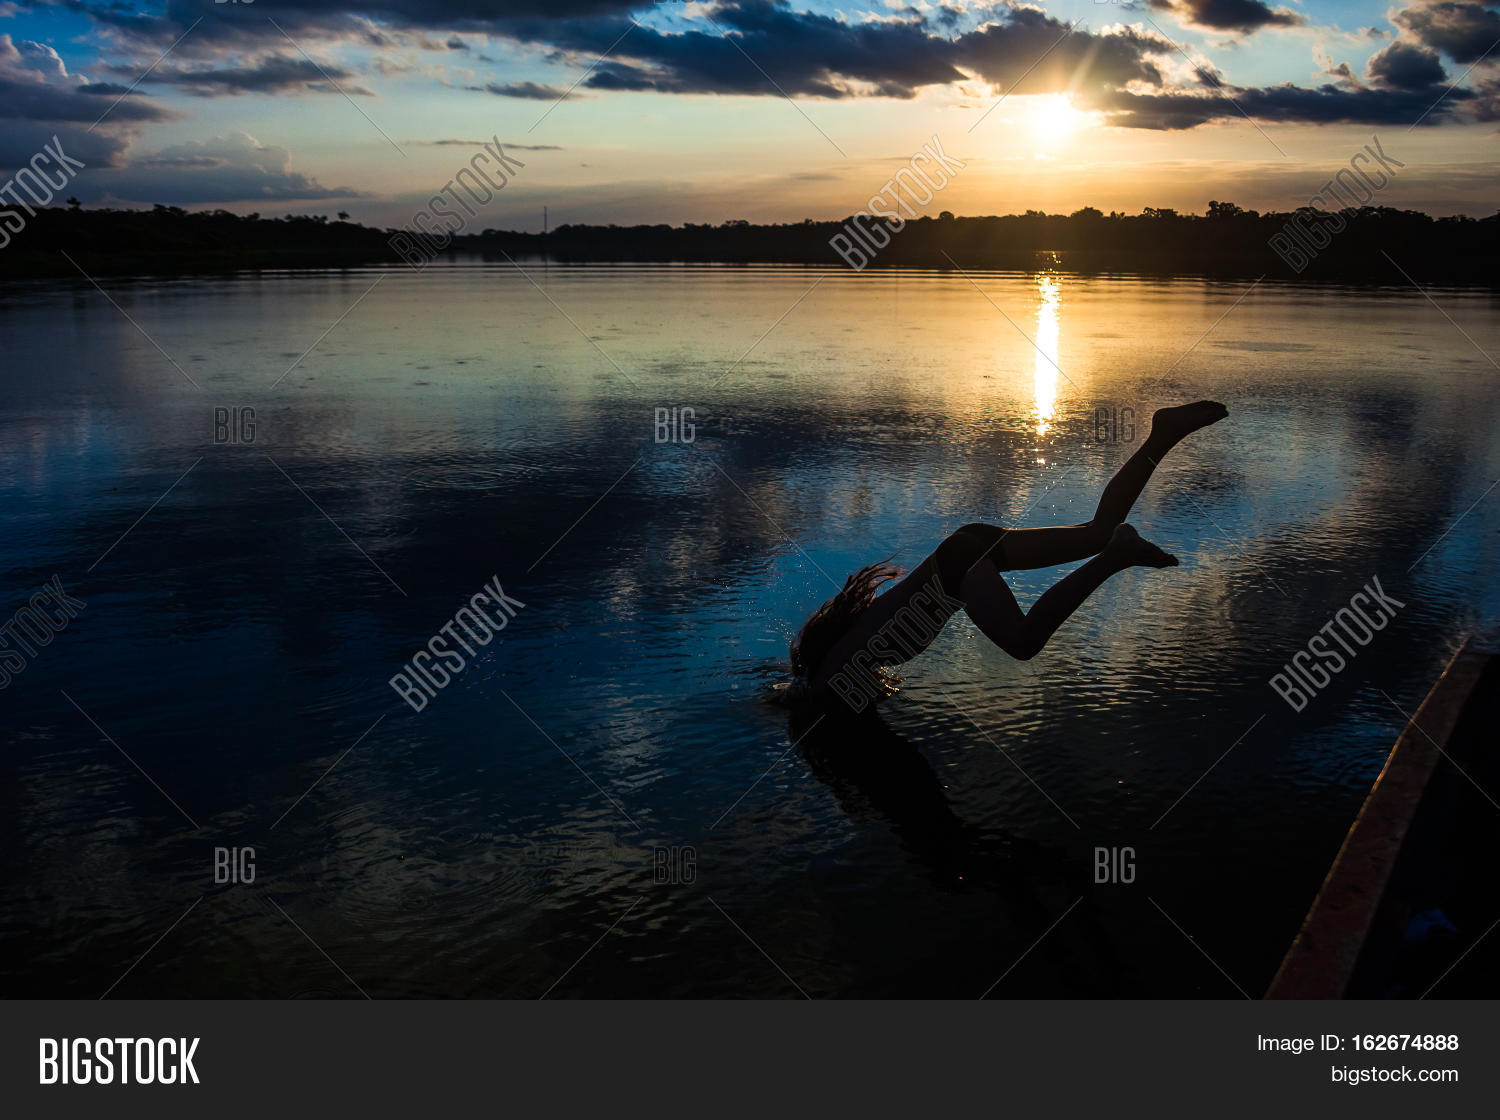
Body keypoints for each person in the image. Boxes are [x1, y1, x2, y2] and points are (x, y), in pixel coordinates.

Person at [790, 401, 1229, 709]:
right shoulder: (852, 653)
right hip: (964, 547)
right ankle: (1164, 434)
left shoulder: (830, 676)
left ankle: (1116, 557)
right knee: (1096, 531)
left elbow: (819, 703)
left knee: (1022, 642)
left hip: (958, 565)